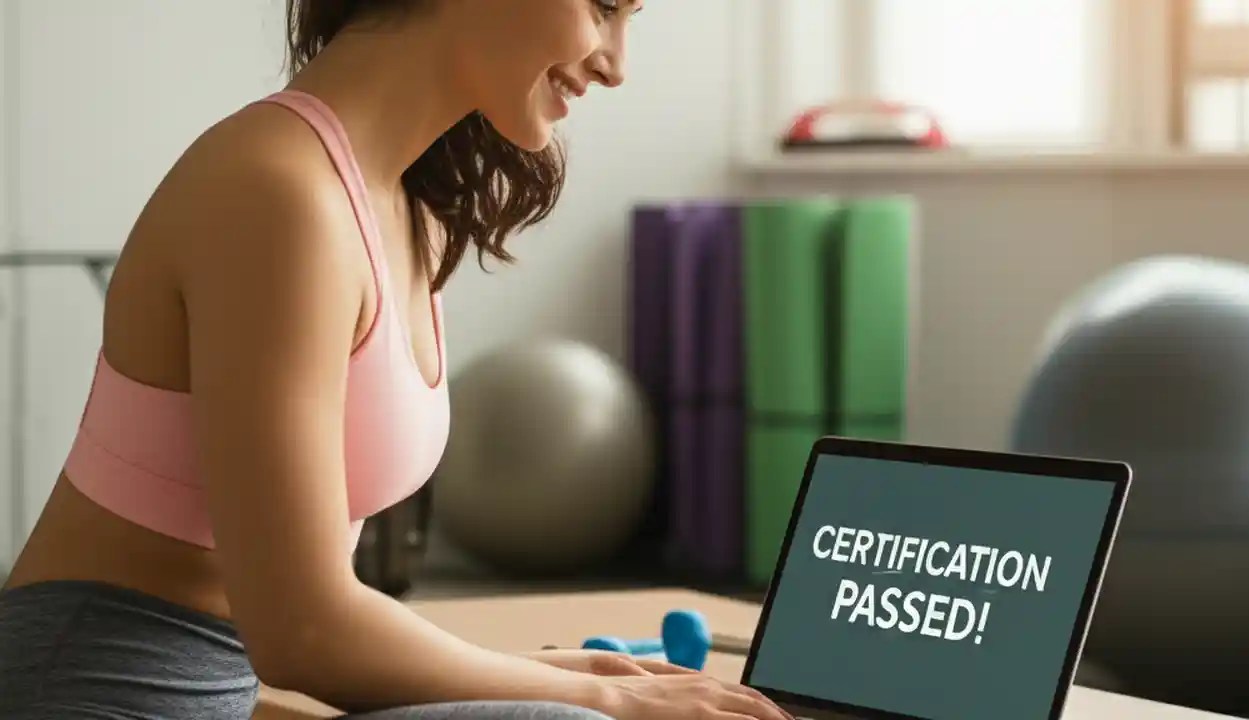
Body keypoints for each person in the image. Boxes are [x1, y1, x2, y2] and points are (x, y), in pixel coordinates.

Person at [0, 1, 795, 719]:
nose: (615, 62)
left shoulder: (410, 207)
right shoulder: (275, 191)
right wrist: (596, 695)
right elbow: (301, 631)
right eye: (604, 7)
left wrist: (533, 672)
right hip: (91, 688)